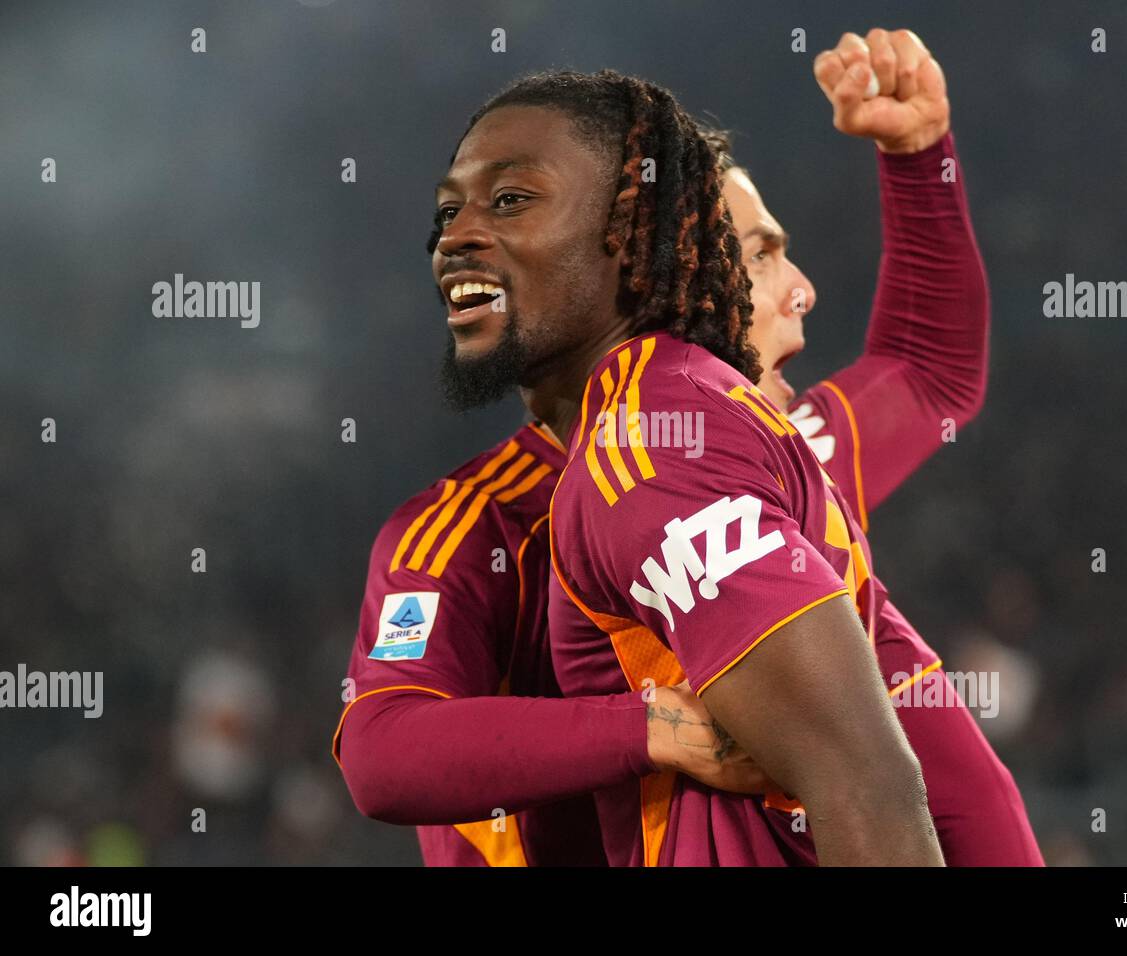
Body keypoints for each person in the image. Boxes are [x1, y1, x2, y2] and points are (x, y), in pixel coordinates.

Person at [336, 30, 1039, 866]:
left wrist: (917, 155)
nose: (800, 289)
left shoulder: (755, 452)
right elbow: (383, 748)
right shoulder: (478, 526)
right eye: (762, 255)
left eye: (509, 201)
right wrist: (650, 728)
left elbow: (928, 372)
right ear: (679, 258)